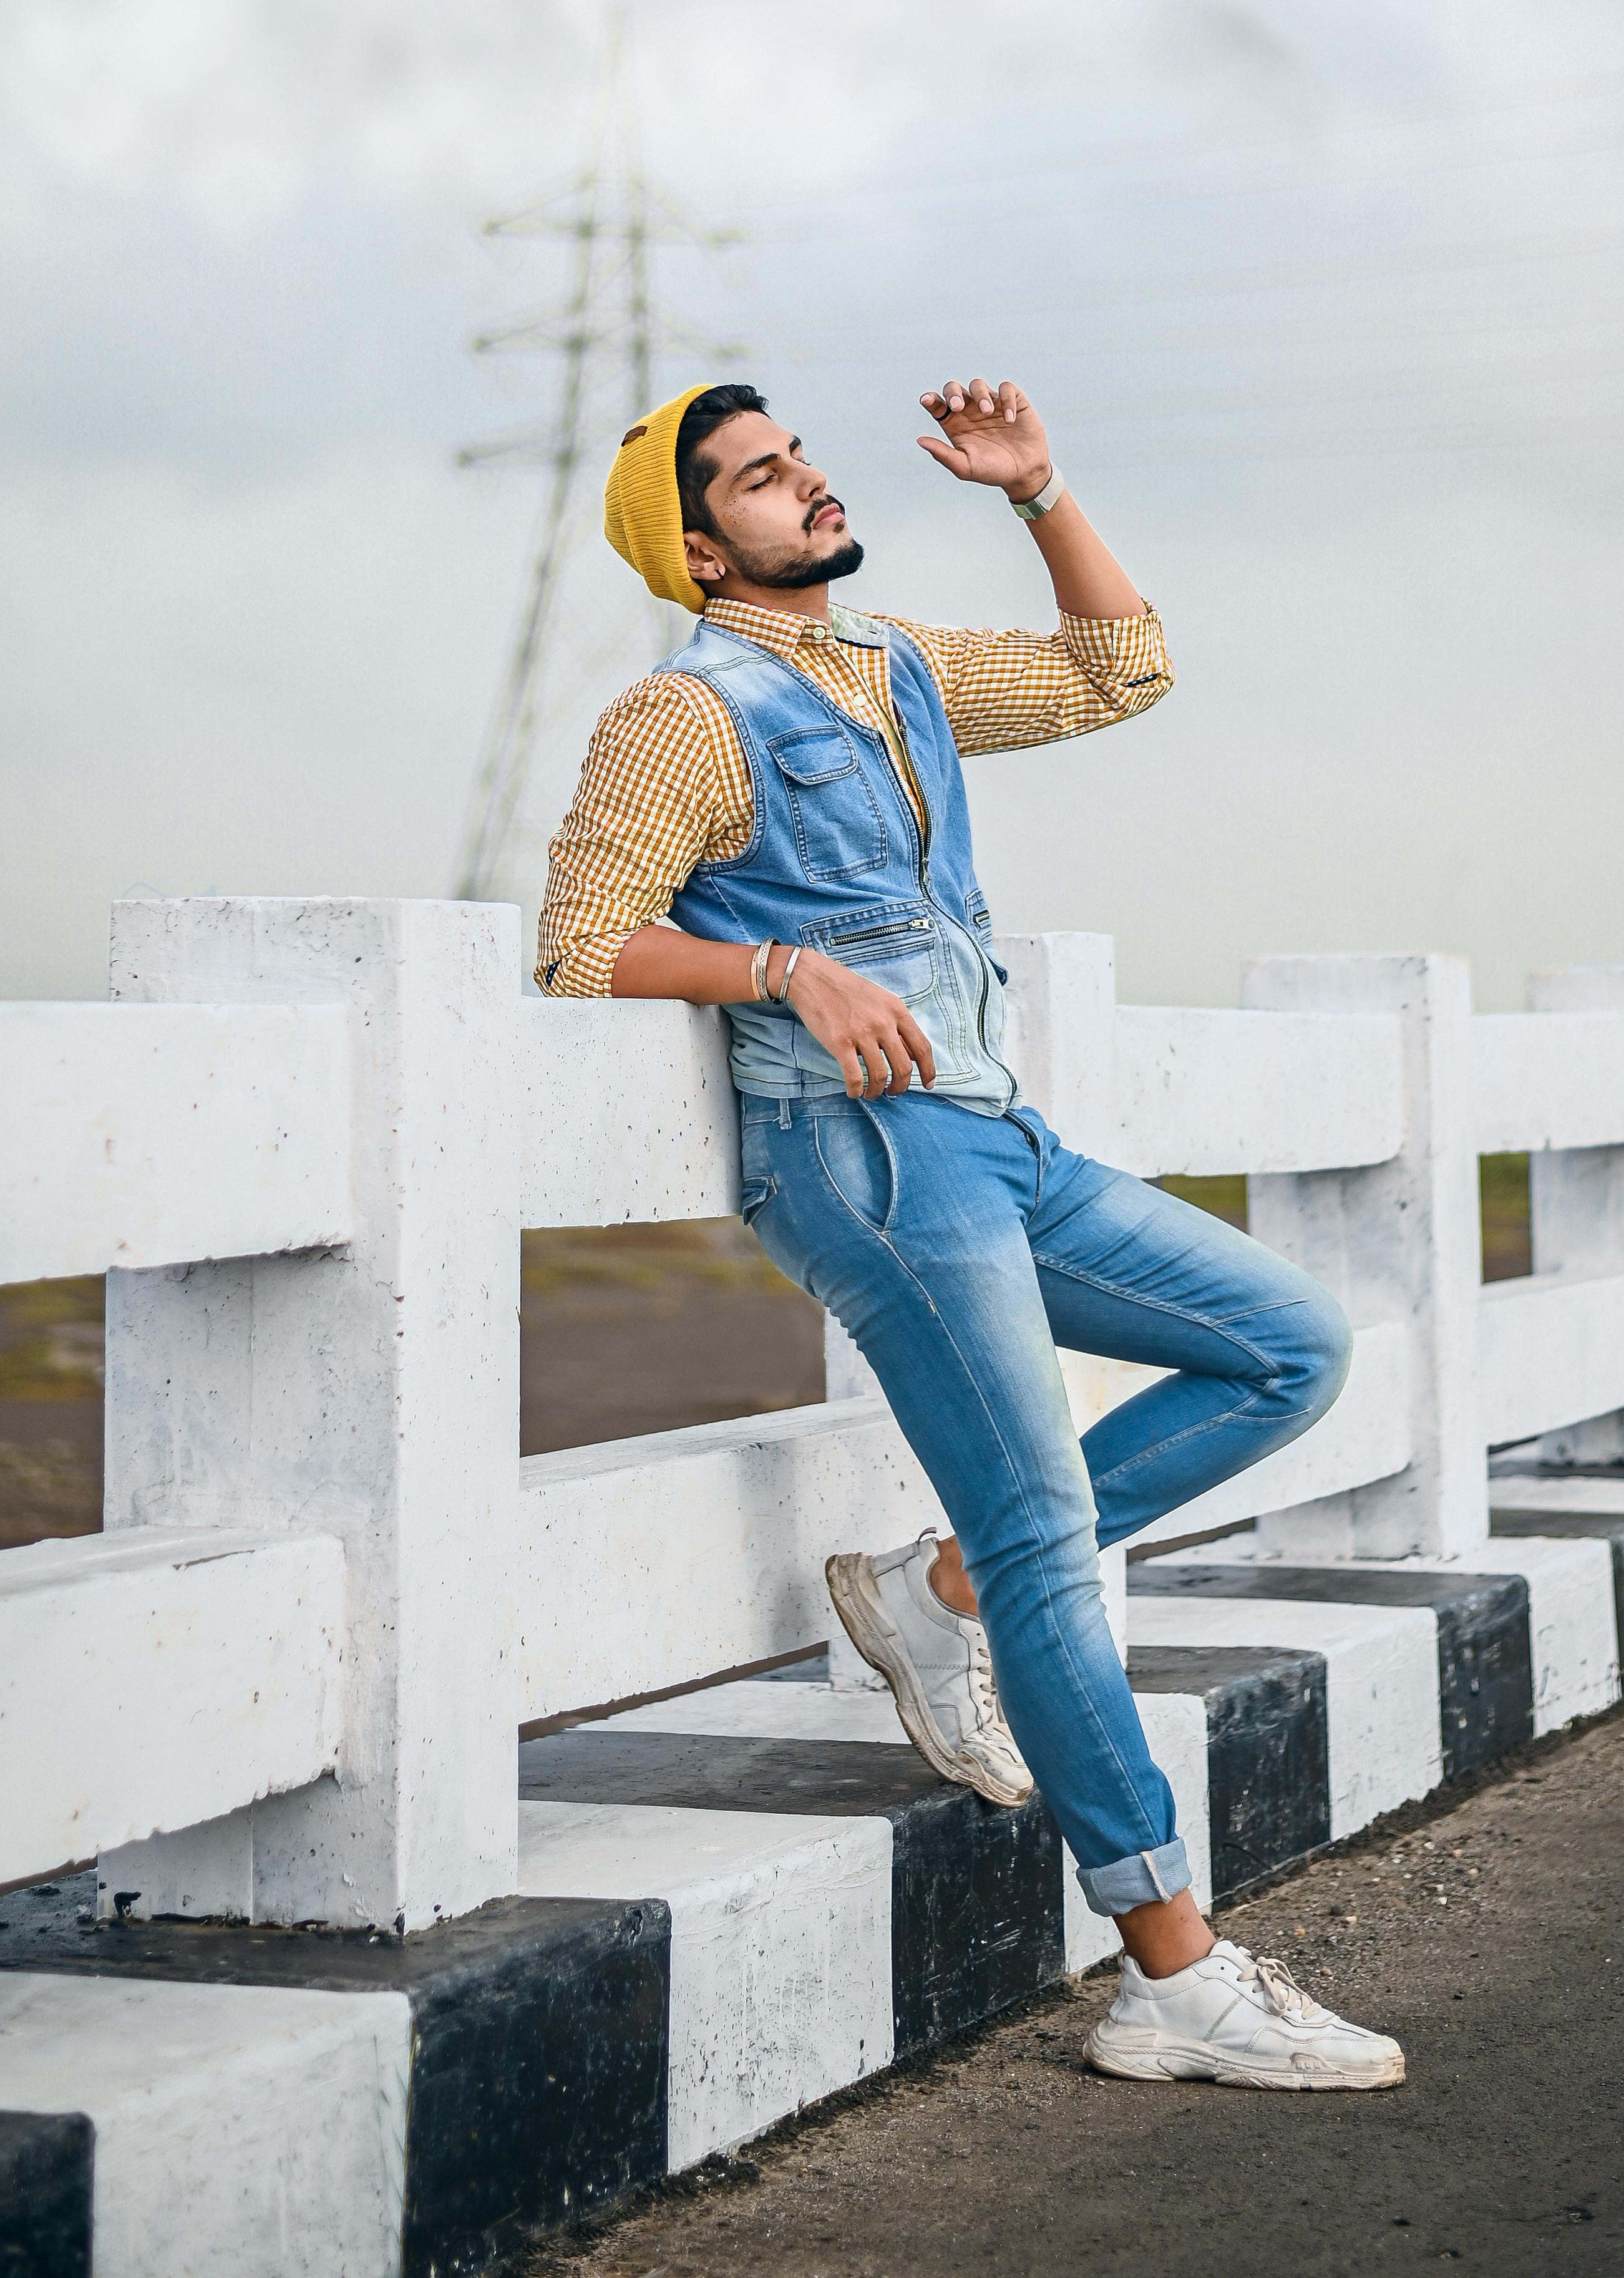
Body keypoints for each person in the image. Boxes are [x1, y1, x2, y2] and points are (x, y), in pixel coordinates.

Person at [538, 374, 1404, 2091]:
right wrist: (785, 965)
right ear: (704, 548)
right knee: (1048, 1529)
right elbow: (582, 942)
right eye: (761, 481)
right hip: (866, 1162)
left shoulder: (899, 667)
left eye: (799, 460)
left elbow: (1121, 669)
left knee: (1292, 1345)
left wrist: (1038, 489)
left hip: (1002, 1140)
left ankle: (936, 1601)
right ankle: (1172, 1966)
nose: (805, 486)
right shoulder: (680, 716)